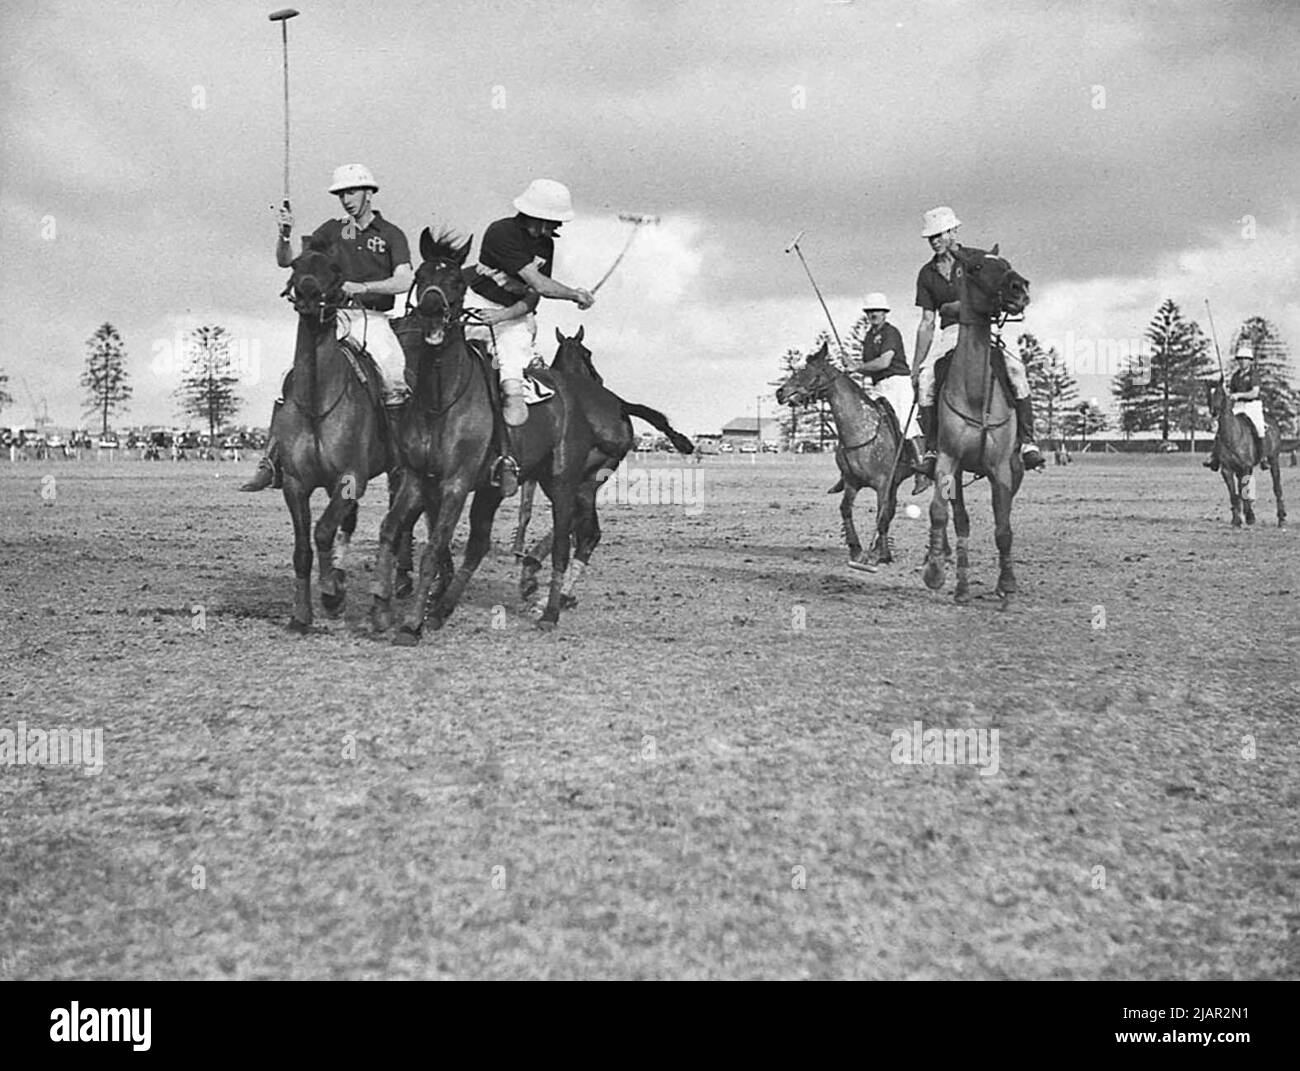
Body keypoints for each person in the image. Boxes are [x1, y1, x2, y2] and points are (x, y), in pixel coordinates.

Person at [240, 164, 413, 491]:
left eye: (351, 192)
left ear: (368, 193)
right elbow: (288, 260)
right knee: (289, 379)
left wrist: (362, 287)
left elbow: (405, 279)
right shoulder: (334, 230)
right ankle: (272, 459)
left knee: (394, 374)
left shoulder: (390, 233)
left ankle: (397, 454)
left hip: (373, 319)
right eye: (341, 194)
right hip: (333, 316)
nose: (345, 200)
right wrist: (285, 235)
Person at [463, 179, 594, 493]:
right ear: (534, 216)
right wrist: (575, 294)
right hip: (476, 303)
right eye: (551, 223)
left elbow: (533, 296)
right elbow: (540, 283)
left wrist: (503, 316)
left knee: (513, 374)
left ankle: (506, 458)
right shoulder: (501, 233)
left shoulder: (545, 244)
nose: (553, 230)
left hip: (513, 315)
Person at [910, 206, 1045, 477]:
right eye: (931, 237)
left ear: (953, 231)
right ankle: (933, 449)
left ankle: (1028, 442)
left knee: (1017, 370)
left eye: (940, 234)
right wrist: (917, 364)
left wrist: (960, 306)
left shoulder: (977, 259)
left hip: (983, 329)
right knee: (926, 380)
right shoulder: (927, 273)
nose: (935, 241)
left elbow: (1003, 290)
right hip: (949, 334)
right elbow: (927, 322)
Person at [848, 291, 918, 445]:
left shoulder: (890, 332)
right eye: (870, 311)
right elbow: (868, 367)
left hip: (897, 382)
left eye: (877, 310)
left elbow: (884, 362)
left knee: (905, 424)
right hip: (878, 386)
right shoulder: (868, 336)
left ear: (885, 313)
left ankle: (919, 461)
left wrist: (856, 367)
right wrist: (852, 367)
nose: (873, 314)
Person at [1205, 342, 1268, 471]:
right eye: (1240, 359)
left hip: (1253, 405)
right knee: (1223, 425)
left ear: (1250, 361)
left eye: (1245, 359)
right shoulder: (1235, 376)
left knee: (1259, 427)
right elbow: (1231, 394)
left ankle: (1263, 458)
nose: (1242, 362)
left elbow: (1254, 392)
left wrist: (1238, 395)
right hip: (1239, 405)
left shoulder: (1253, 374)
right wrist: (1226, 391)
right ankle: (1214, 457)